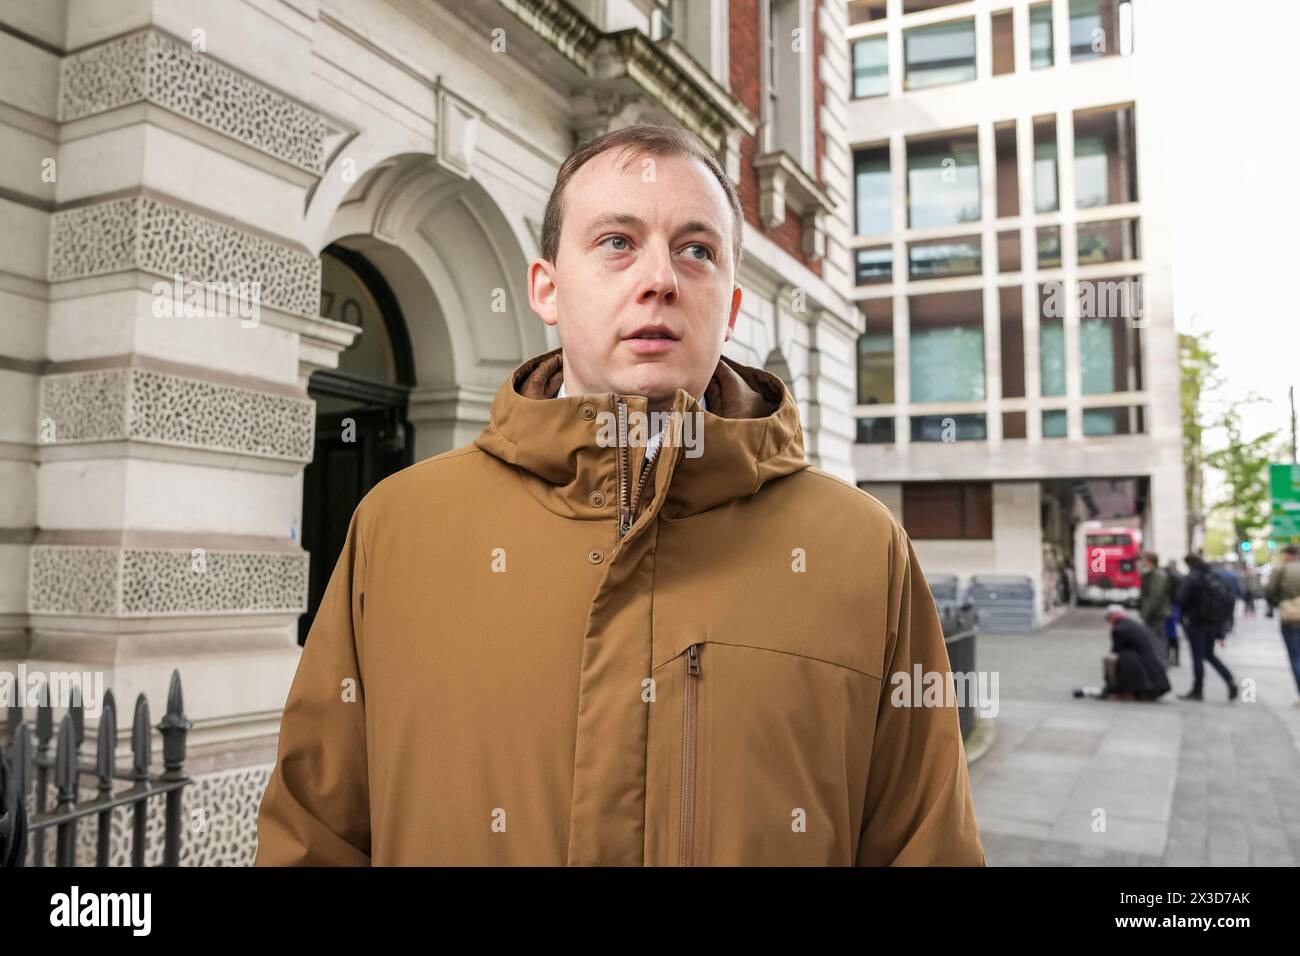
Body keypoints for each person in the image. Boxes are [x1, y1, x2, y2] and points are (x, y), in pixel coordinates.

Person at [254, 124, 985, 867]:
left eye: (696, 249)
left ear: (730, 307)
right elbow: (314, 836)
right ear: (546, 288)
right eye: (616, 242)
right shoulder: (397, 528)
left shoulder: (860, 548)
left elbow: (927, 847)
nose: (660, 277)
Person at [1177, 554, 1239, 701]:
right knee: (1209, 654)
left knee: (1197, 655)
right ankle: (1229, 679)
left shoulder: (1193, 577)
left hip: (1196, 621)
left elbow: (1181, 598)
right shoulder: (1215, 575)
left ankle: (1197, 689)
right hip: (1213, 621)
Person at [1089, 605, 1171, 701]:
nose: (1109, 621)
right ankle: (1134, 691)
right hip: (1154, 673)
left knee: (1113, 659)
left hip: (1139, 665)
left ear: (1113, 616)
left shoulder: (1119, 628)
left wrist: (1109, 686)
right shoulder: (1131, 624)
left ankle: (1125, 690)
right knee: (1124, 656)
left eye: (1108, 618)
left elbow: (1116, 651)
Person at [1264, 545, 1300, 704]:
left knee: (1296, 656)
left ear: (1287, 554)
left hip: (1291, 615)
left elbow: (1270, 590)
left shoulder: (1282, 569)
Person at [1138, 551, 1171, 665]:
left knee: (1157, 639)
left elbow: (1154, 596)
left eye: (1144, 560)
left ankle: (1161, 663)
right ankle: (1160, 662)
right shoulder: (1152, 573)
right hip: (1155, 612)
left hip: (1156, 613)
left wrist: (1145, 612)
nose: (1142, 562)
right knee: (1155, 638)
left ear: (1150, 560)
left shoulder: (1157, 575)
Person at [1164, 559, 1184, 666]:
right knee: (1173, 635)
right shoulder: (1181, 577)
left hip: (1171, 608)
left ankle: (1169, 657)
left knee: (1169, 635)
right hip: (1177, 608)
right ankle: (1175, 658)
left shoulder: (1170, 578)